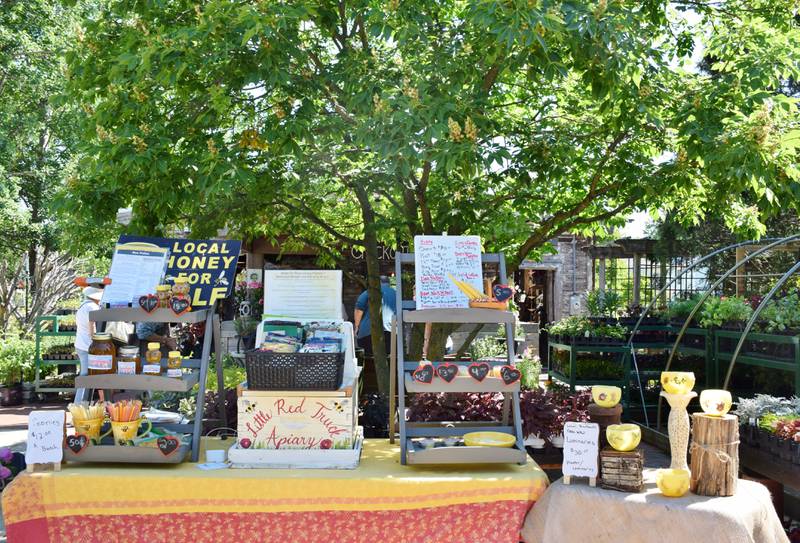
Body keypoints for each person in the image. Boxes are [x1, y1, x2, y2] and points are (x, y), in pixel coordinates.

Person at [354, 276, 396, 355]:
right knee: (389, 357)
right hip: (391, 332)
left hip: (369, 331)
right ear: (389, 283)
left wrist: (356, 326)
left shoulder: (369, 292)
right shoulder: (396, 294)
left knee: (369, 358)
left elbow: (359, 308)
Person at [74, 286, 103, 402]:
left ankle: (83, 404)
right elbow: (93, 326)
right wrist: (96, 342)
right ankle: (79, 405)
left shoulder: (82, 306)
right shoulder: (92, 307)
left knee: (86, 375)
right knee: (86, 376)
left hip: (81, 344)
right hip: (88, 346)